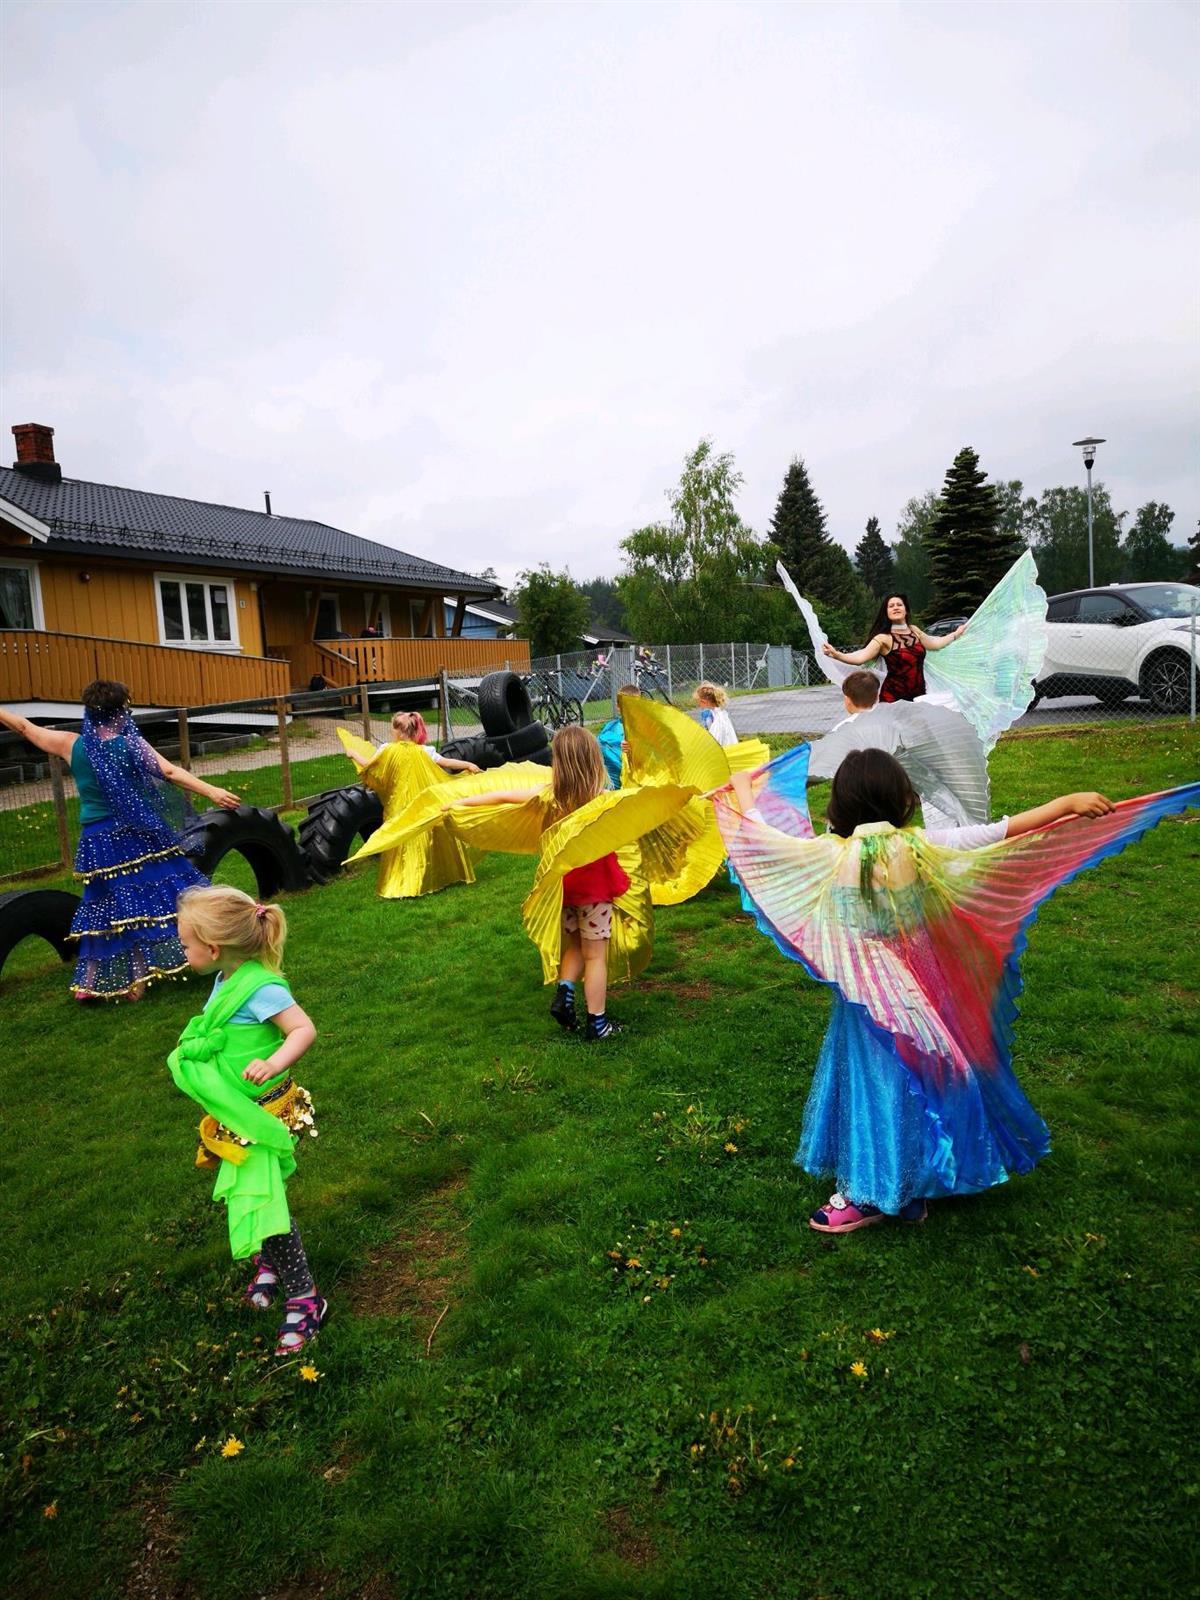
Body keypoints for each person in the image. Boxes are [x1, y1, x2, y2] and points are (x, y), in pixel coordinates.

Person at [714, 747, 1200, 1234]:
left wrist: (741, 794)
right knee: (919, 1080)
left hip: (868, 997)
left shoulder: (828, 855)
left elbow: (766, 845)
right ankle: (909, 1186)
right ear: (901, 800)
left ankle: (872, 1191)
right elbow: (1002, 833)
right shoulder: (924, 845)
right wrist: (1066, 803)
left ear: (839, 807)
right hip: (922, 992)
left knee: (881, 1086)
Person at [0, 679, 239, 1001]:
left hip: (97, 840)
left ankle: (131, 983)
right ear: (121, 710)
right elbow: (168, 773)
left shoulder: (72, 745)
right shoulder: (130, 745)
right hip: (135, 833)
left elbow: (24, 727)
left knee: (114, 908)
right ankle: (221, 944)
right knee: (174, 893)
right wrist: (212, 791)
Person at [170, 885, 326, 1356]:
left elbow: (304, 1029)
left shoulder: (261, 988)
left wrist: (273, 1063)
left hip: (261, 1113)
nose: (183, 952)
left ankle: (305, 1298)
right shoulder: (224, 980)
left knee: (263, 1200)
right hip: (236, 1111)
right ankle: (271, 1263)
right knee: (250, 1194)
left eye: (185, 945)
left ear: (213, 948)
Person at [455, 725, 633, 1040]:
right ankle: (598, 1023)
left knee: (574, 945)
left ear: (558, 763)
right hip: (595, 891)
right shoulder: (603, 799)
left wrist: (459, 804)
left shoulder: (548, 796)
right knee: (595, 955)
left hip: (564, 888)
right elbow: (641, 802)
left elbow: (501, 796)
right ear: (593, 760)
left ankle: (565, 993)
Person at [337, 712, 481, 898]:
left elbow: (370, 766)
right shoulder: (425, 751)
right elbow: (446, 761)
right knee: (423, 834)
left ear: (398, 731)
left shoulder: (387, 750)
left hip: (398, 805)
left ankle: (402, 882)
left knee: (400, 836)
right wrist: (468, 764)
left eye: (392, 729)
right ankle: (431, 875)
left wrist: (353, 754)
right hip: (421, 803)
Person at [823, 595, 966, 703]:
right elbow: (860, 657)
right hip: (894, 697)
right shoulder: (883, 638)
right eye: (891, 606)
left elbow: (935, 644)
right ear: (886, 613)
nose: (896, 607)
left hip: (919, 694)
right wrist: (837, 654)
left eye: (899, 605)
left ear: (906, 611)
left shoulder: (914, 631)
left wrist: (955, 634)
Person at [597, 683, 640, 787]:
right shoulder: (611, 727)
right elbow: (599, 744)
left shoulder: (642, 729)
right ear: (618, 707)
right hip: (614, 783)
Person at [693, 682, 738, 748]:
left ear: (704, 702)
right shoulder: (721, 714)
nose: (698, 705)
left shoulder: (719, 721)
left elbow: (714, 745)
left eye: (698, 702)